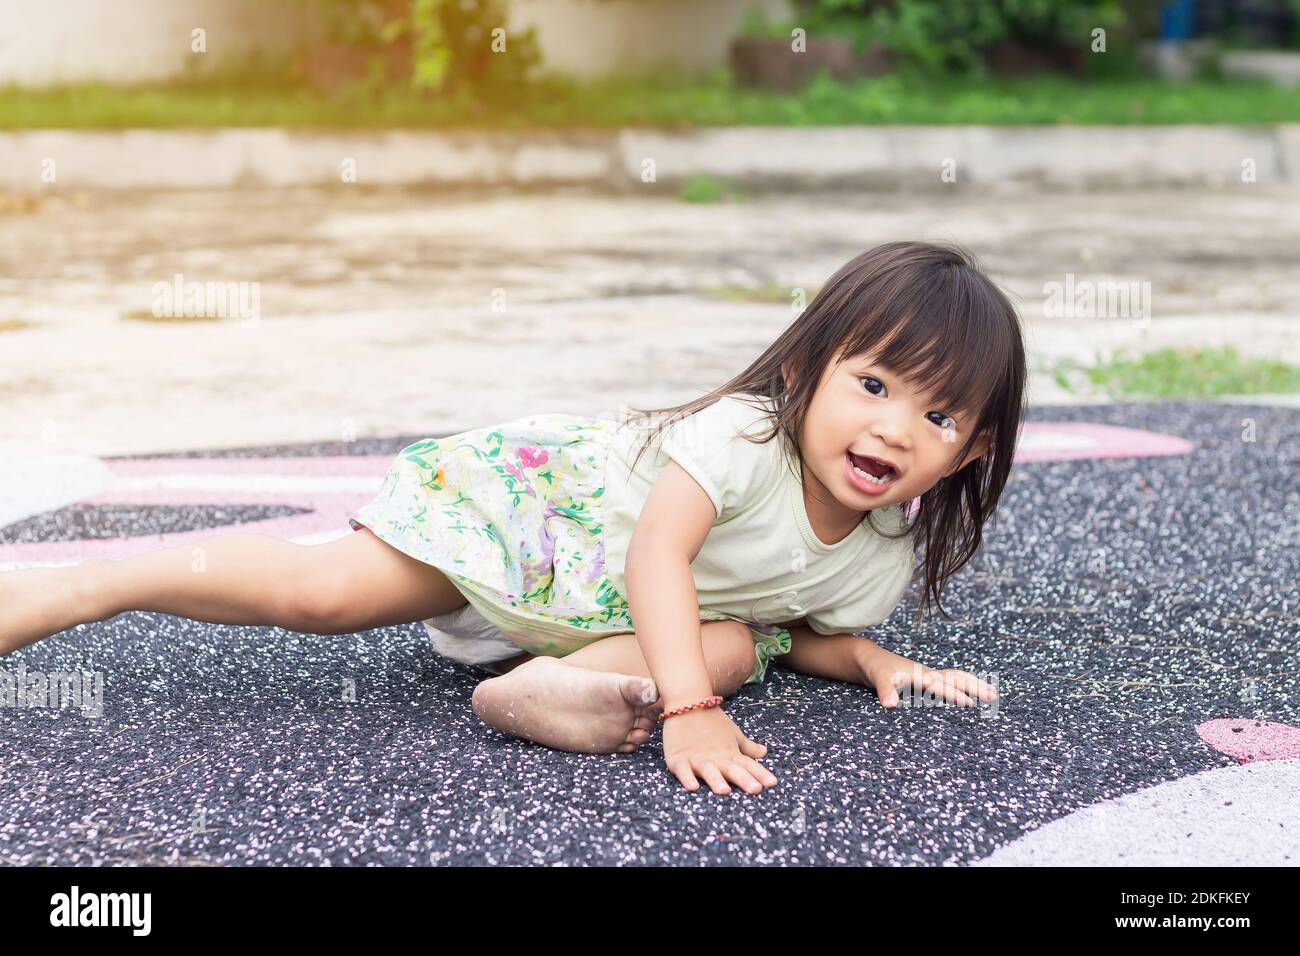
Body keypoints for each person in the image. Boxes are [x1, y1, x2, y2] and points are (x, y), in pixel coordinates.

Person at [0, 240, 1023, 798]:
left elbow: (803, 626)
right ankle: (75, 587)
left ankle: (537, 691)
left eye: (935, 413)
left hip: (585, 625)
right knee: (323, 595)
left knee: (733, 643)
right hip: (535, 526)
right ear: (808, 368)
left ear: (970, 450)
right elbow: (657, 551)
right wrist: (688, 711)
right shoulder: (745, 438)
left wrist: (877, 663)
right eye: (874, 382)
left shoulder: (880, 553)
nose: (892, 427)